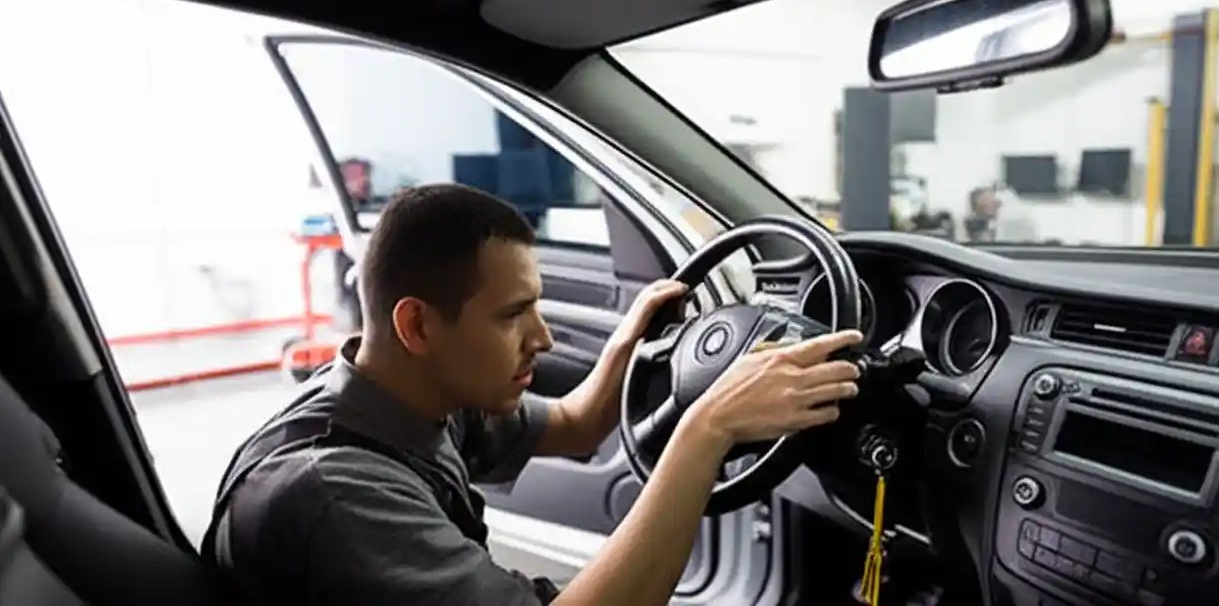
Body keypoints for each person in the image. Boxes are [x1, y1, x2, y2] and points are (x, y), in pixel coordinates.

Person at [203, 183, 862, 605]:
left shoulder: (409, 394)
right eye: (512, 315)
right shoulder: (338, 494)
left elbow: (575, 426)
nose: (540, 338)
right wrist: (708, 428)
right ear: (417, 324)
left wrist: (628, 345)